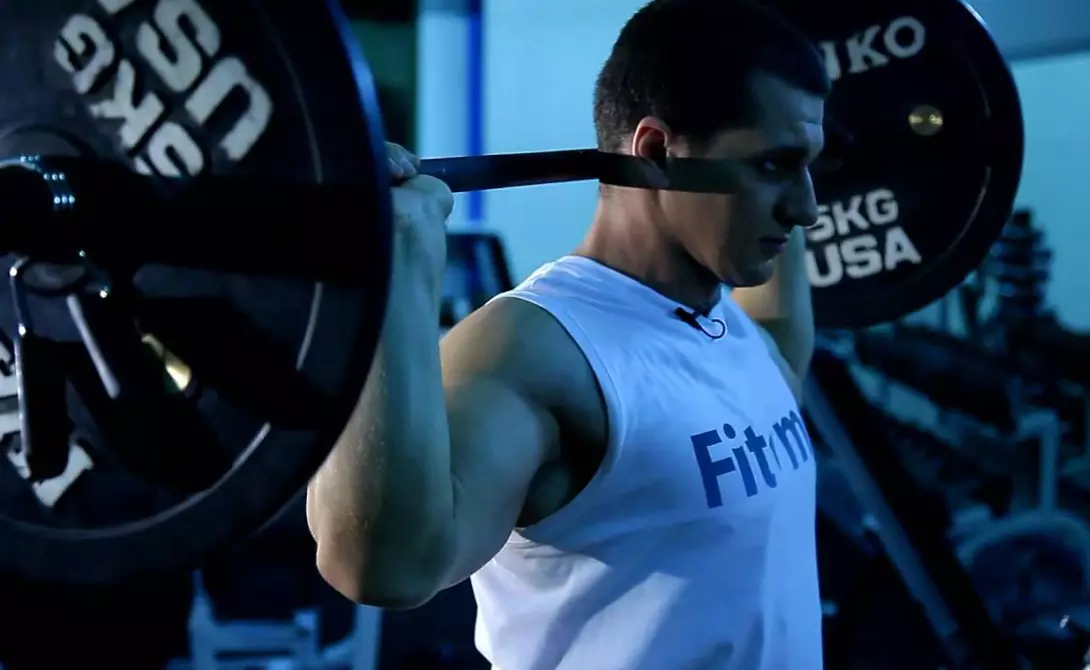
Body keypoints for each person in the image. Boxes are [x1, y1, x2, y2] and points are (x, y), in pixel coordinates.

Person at [307, 0, 831, 667]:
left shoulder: (738, 335)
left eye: (810, 165)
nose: (810, 208)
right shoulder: (536, 350)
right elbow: (386, 568)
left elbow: (785, 343)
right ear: (655, 152)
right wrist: (393, 262)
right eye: (773, 166)